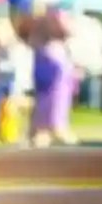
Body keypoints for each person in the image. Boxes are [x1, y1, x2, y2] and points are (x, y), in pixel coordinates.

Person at [29, 10, 77, 148]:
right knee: (51, 127)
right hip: (53, 91)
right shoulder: (52, 51)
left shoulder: (49, 50)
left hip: (52, 91)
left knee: (47, 127)